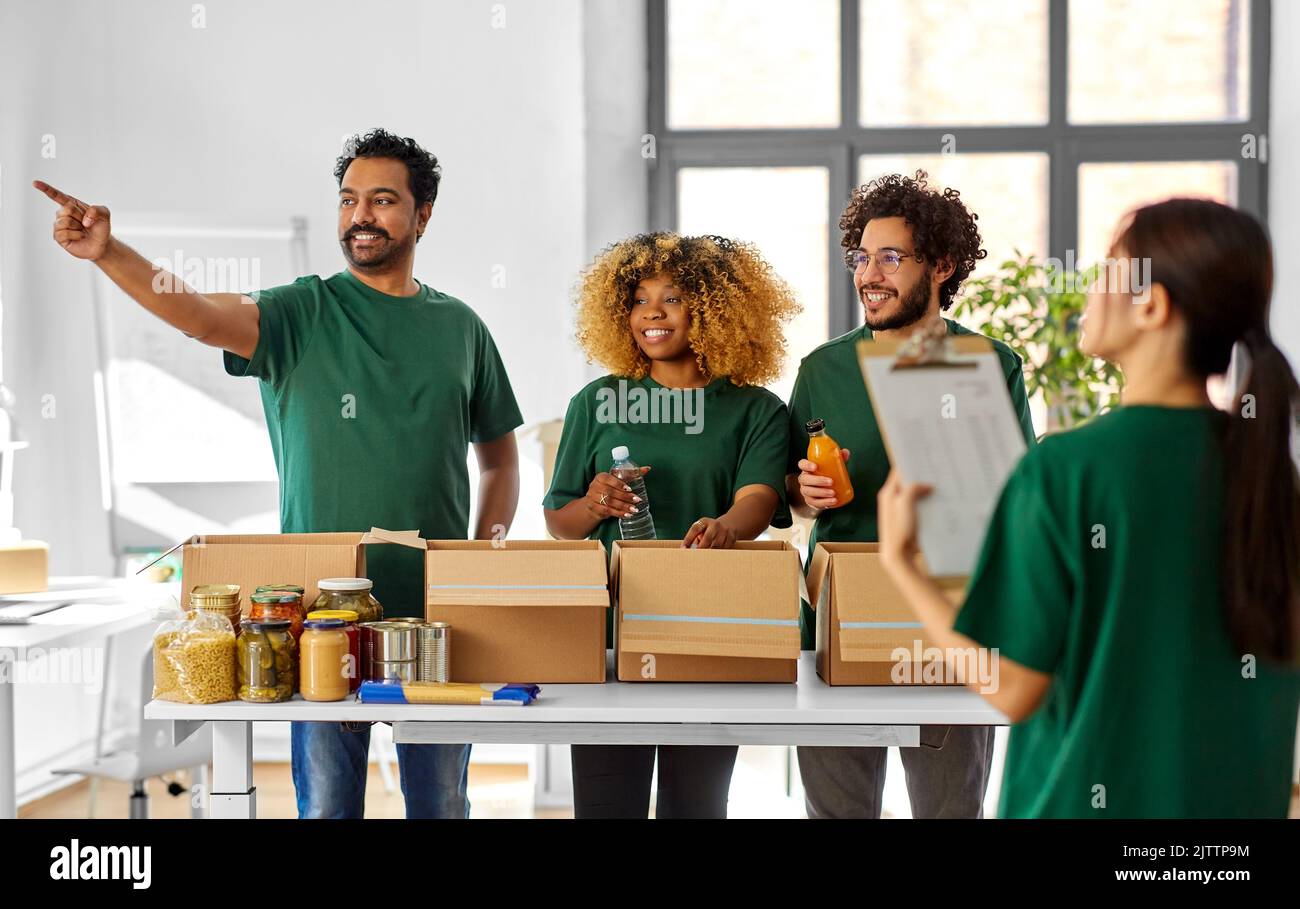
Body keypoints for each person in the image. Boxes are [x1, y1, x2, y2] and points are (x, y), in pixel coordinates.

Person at [35, 128, 523, 819]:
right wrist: (109, 252)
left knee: (440, 804)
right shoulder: (301, 312)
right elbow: (200, 317)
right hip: (318, 614)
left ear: (424, 214)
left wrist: (482, 554)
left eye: (382, 200)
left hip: (434, 615)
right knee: (326, 806)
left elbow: (499, 454)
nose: (360, 215)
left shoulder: (463, 328)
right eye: (348, 199)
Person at [877, 198, 1300, 817]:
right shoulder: (1272, 477)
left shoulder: (1069, 469)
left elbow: (1013, 688)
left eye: (1108, 269)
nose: (1089, 287)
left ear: (1151, 306)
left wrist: (902, 565)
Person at [787, 171, 1035, 819]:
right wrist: (806, 489)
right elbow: (790, 494)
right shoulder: (822, 370)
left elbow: (1018, 501)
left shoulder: (988, 363)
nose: (870, 273)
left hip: (947, 624)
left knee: (950, 812)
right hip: (838, 620)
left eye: (891, 257)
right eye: (861, 257)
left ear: (943, 265)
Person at [544, 232, 798, 817]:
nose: (652, 313)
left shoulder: (755, 409)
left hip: (709, 626)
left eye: (673, 298)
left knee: (698, 804)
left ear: (713, 308)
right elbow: (562, 522)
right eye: (637, 299)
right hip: (613, 629)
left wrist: (727, 527)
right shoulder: (598, 402)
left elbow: (758, 499)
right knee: (608, 804)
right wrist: (596, 503)